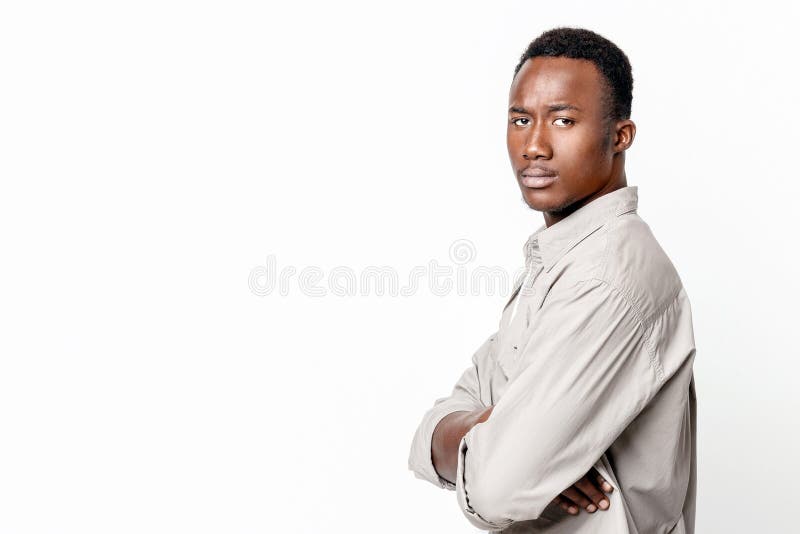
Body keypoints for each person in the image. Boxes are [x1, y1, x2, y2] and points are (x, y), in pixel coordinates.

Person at [407, 27, 697, 533]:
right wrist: (492, 429)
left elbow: (498, 485)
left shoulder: (608, 279)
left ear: (620, 136)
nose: (534, 145)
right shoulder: (558, 263)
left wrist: (502, 443)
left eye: (563, 120)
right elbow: (431, 430)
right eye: (521, 120)